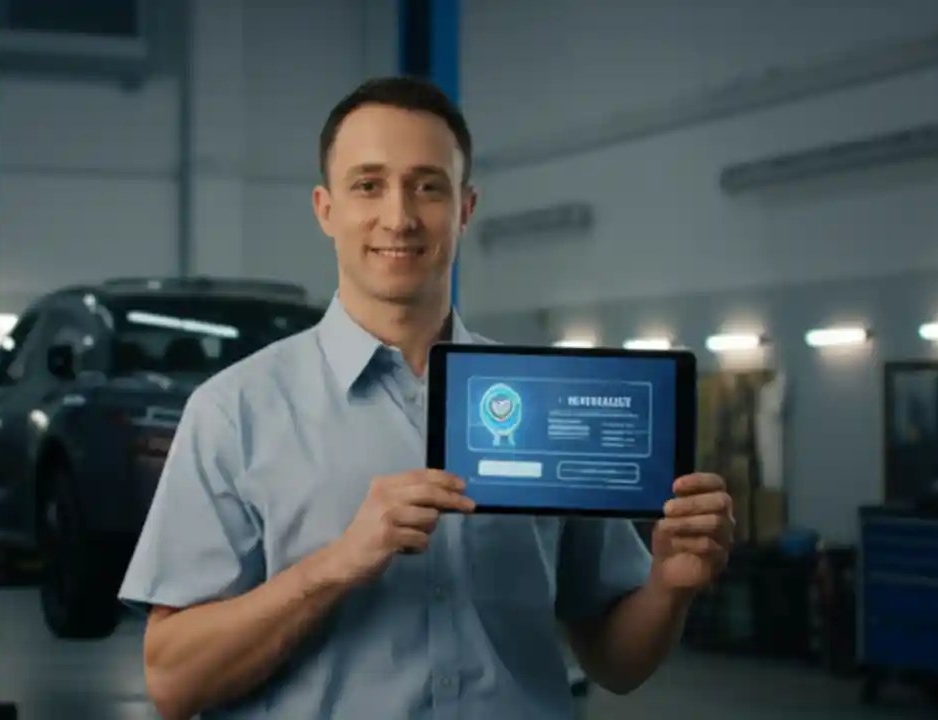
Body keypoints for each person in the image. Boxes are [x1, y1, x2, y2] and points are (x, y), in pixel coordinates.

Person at [118, 76, 735, 720]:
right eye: (368, 185)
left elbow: (617, 663)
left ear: (465, 208)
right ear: (325, 209)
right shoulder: (234, 412)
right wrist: (337, 564)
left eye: (427, 185)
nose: (400, 216)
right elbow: (174, 681)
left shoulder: (550, 400)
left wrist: (668, 586)